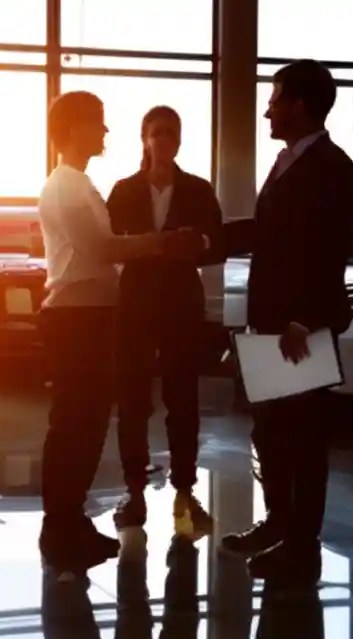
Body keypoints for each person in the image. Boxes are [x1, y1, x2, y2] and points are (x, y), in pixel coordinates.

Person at [37, 91, 205, 574]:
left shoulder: (77, 182)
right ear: (72, 129)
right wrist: (162, 244)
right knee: (75, 423)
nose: (106, 133)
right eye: (98, 124)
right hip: (77, 314)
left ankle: (70, 522)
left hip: (89, 312)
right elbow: (100, 248)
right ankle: (61, 527)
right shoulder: (67, 186)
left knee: (86, 423)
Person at [218, 60, 353, 585]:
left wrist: (307, 318)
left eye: (275, 99)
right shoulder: (287, 162)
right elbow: (269, 233)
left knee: (303, 440)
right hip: (272, 327)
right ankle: (279, 524)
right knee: (271, 433)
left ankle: (302, 548)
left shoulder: (332, 168)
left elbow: (329, 252)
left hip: (302, 329)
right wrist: (204, 238)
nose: (267, 109)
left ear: (300, 105)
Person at [106, 105, 224, 538]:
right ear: (144, 138)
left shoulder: (197, 189)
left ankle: (185, 490)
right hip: (135, 304)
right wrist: (151, 246)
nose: (163, 139)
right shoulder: (123, 191)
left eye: (171, 133)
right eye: (157, 132)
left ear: (179, 140)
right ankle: (134, 491)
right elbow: (109, 246)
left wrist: (199, 243)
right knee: (133, 400)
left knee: (183, 399)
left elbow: (218, 243)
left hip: (180, 304)